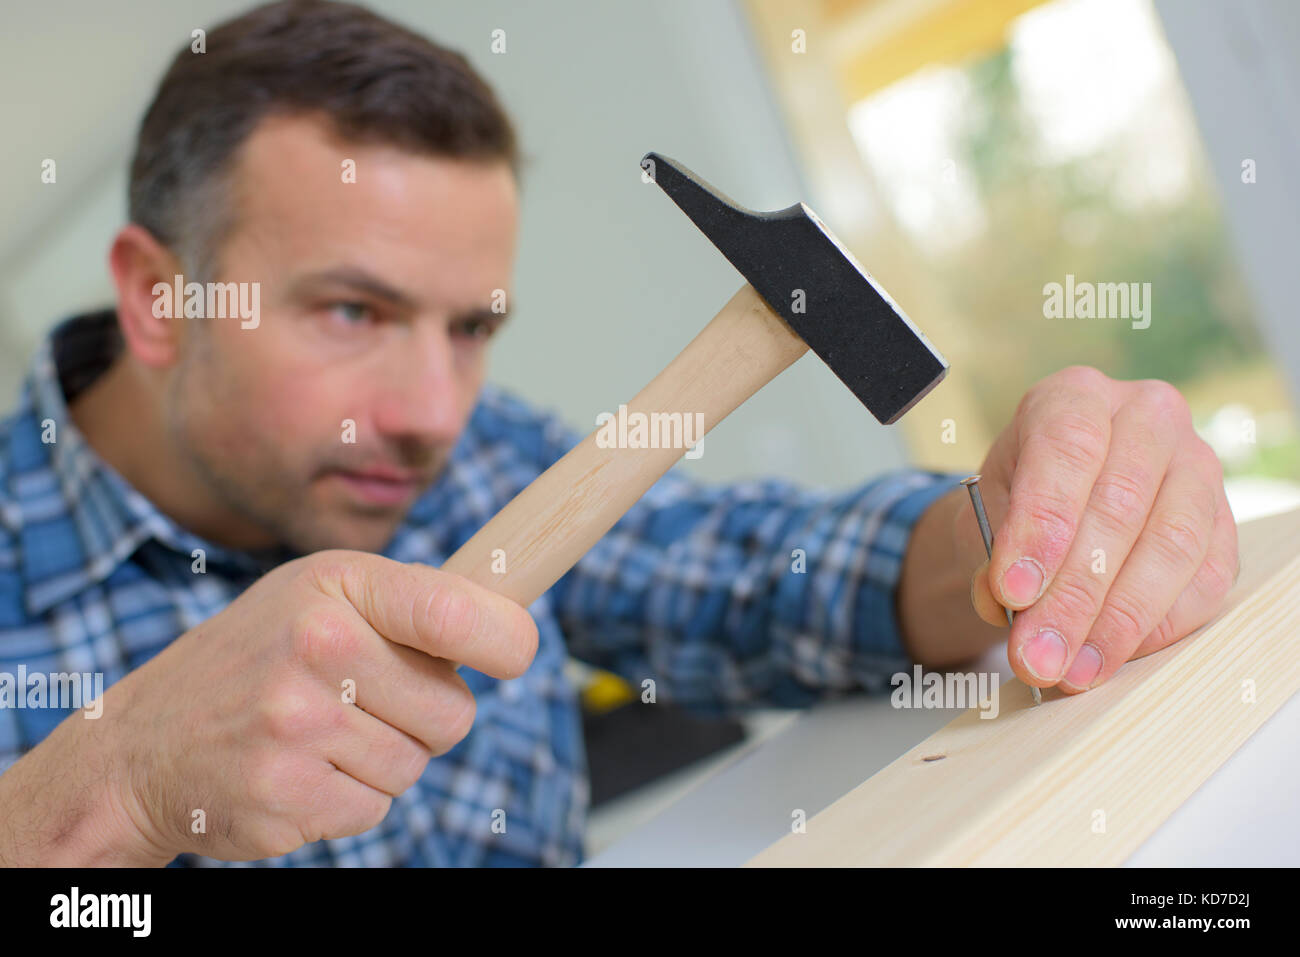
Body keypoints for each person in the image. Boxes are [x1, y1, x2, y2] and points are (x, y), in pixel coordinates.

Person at [0, 0, 1238, 867]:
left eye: (473, 326)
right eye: (352, 310)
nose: (433, 409)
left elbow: (768, 579)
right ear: (161, 301)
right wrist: (118, 789)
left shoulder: (489, 464)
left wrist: (1017, 524)